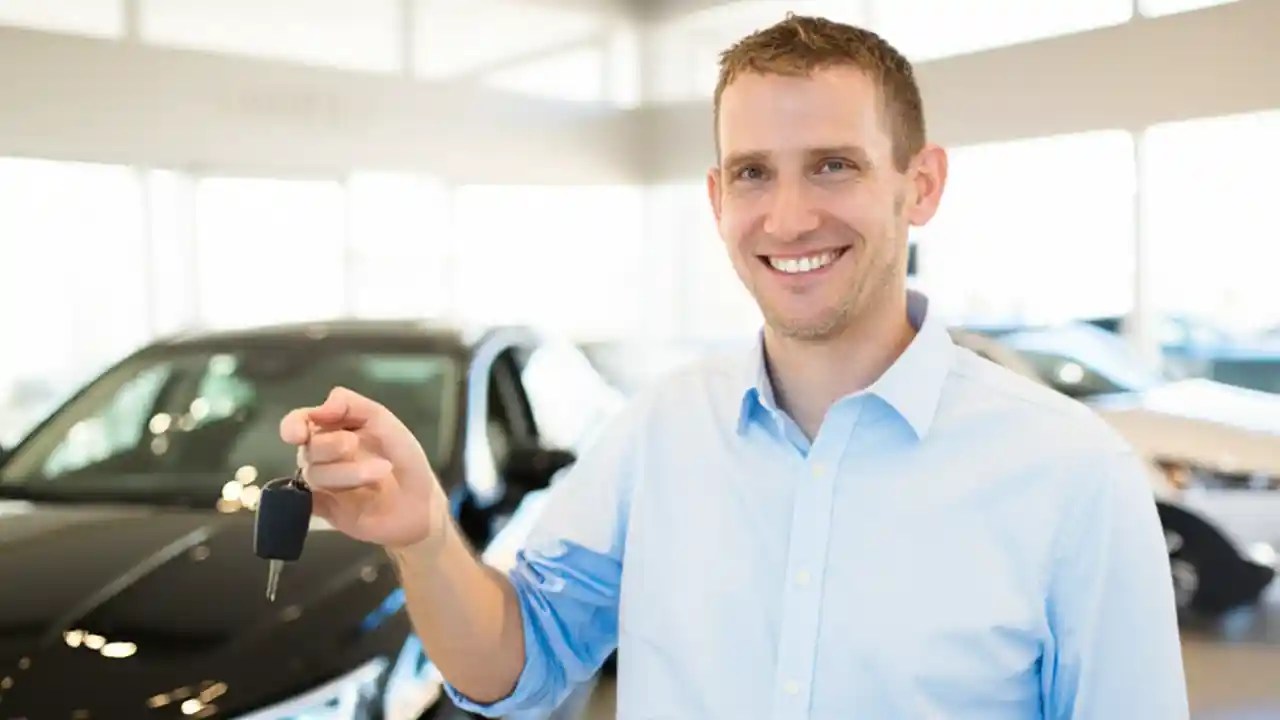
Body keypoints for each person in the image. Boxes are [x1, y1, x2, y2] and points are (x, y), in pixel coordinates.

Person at [280, 14, 1189, 719]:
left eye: (833, 165)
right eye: (754, 173)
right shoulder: (653, 434)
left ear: (922, 184)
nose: (788, 219)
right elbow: (516, 667)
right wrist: (426, 538)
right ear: (717, 197)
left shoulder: (1073, 475)